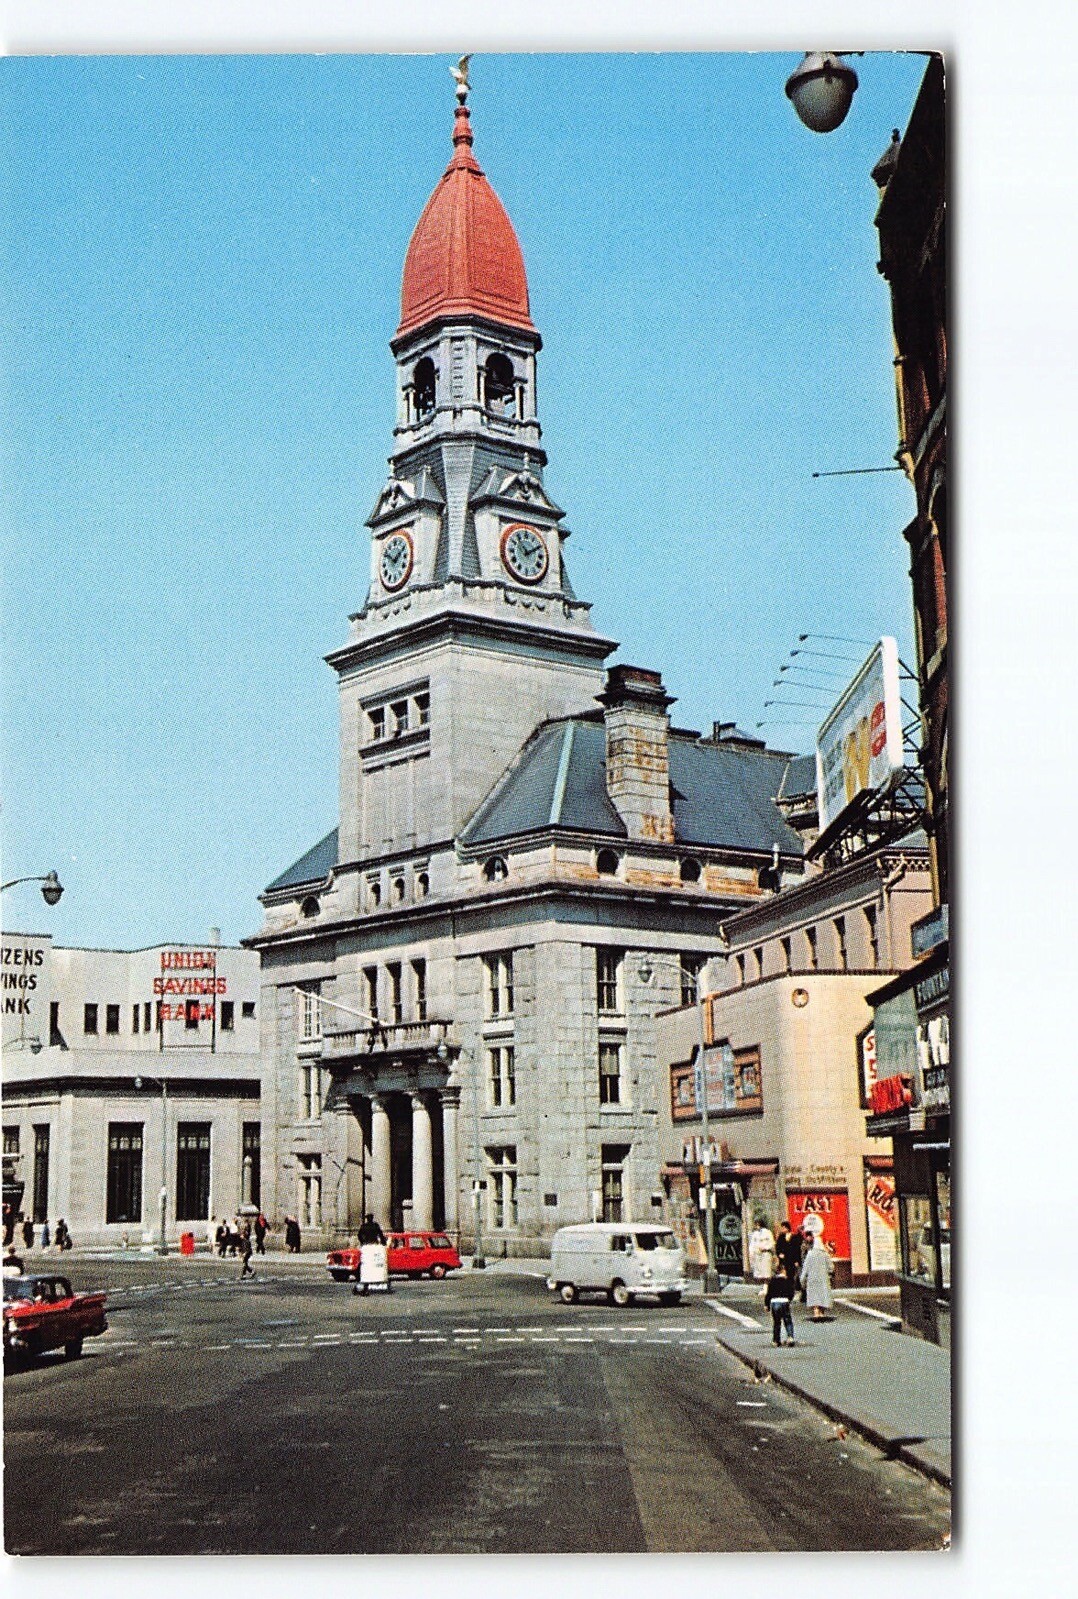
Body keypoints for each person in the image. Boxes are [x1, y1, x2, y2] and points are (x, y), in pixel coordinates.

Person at [799, 1234, 835, 1321]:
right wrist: (829, 1274)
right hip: (823, 1279)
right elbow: (831, 1267)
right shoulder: (825, 1254)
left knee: (814, 1296)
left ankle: (816, 1312)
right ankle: (822, 1313)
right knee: (823, 1295)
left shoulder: (810, 1254)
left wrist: (802, 1280)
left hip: (812, 1279)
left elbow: (805, 1268)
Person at [765, 1258, 796, 1346]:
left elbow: (769, 1294)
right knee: (788, 1321)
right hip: (784, 1302)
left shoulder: (772, 1281)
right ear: (783, 1271)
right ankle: (790, 1337)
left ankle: (776, 1340)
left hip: (774, 1302)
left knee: (777, 1322)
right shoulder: (787, 1281)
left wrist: (766, 1305)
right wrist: (789, 1299)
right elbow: (791, 1292)